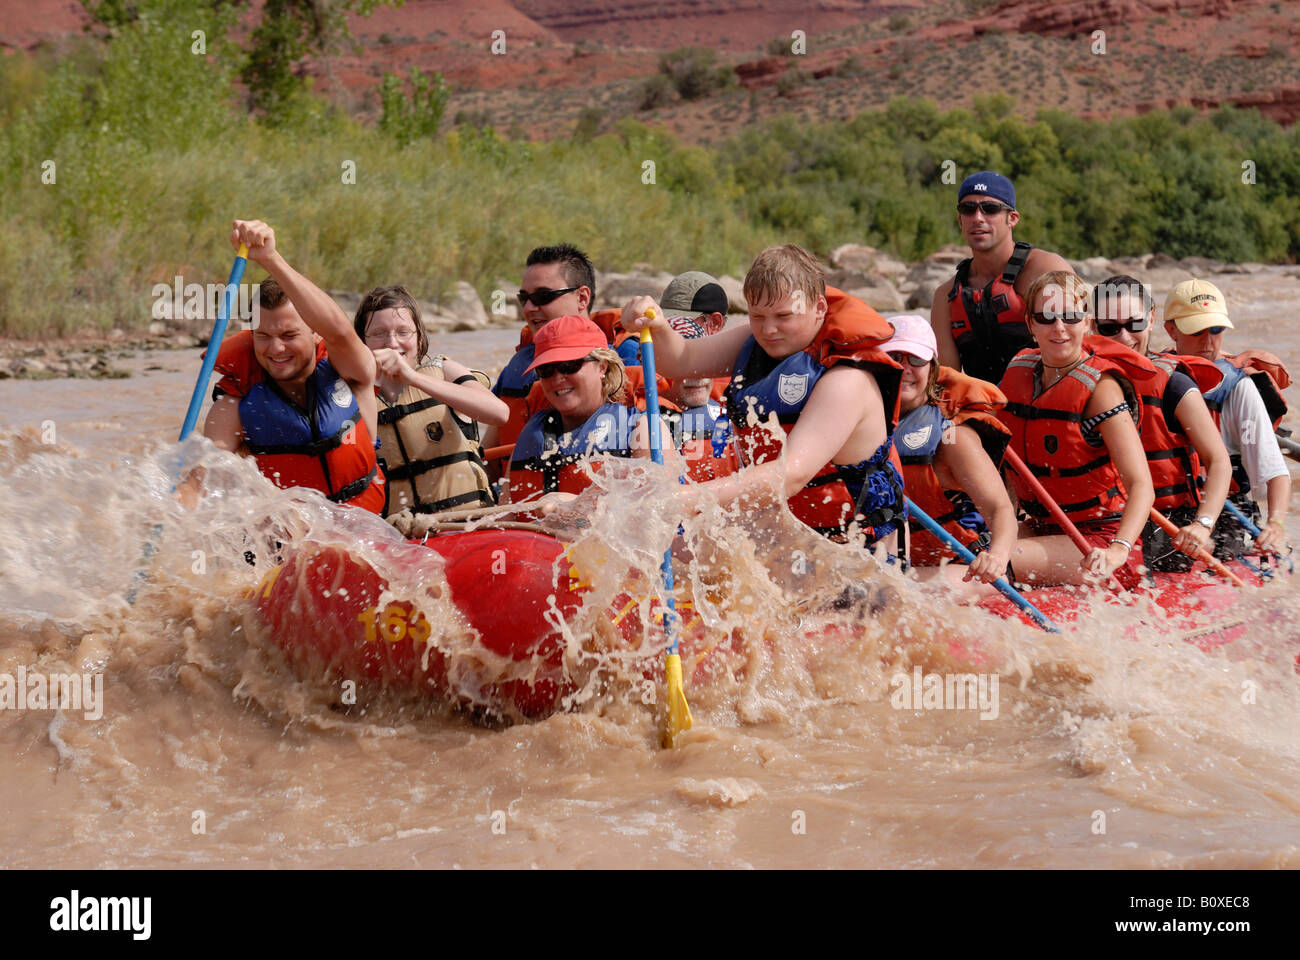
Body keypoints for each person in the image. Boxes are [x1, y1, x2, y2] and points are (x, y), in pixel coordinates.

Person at [620, 244, 906, 550]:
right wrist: (657, 325)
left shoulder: (848, 379)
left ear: (819, 308)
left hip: (861, 555)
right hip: (790, 543)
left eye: (784, 316)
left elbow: (791, 474)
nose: (769, 330)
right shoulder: (752, 342)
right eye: (758, 316)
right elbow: (678, 360)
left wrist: (683, 500)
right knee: (647, 551)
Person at [197, 219, 385, 514]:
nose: (276, 349)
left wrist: (269, 258)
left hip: (367, 528)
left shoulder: (351, 370)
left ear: (315, 332)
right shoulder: (240, 397)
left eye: (289, 335)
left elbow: (339, 330)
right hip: (295, 540)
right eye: (263, 336)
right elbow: (203, 471)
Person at [997, 272, 1155, 586]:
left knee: (997, 561)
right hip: (1044, 527)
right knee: (964, 549)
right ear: (1030, 324)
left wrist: (1118, 551)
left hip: (1102, 542)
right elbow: (1009, 469)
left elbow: (1142, 487)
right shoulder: (1019, 371)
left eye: (1070, 316)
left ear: (1086, 322)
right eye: (1046, 317)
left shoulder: (1101, 389)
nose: (1059, 328)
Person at [1090, 276, 1231, 571]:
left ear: (1152, 319)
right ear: (1092, 327)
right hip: (1099, 524)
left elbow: (1218, 461)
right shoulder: (1082, 383)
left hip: (1166, 529)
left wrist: (1203, 526)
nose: (1124, 337)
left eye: (1135, 324)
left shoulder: (1175, 385)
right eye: (1110, 328)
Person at [1161, 278, 1291, 558]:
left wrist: (1276, 525)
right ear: (1171, 330)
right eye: (1196, 330)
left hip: (1227, 515)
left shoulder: (1239, 389)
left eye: (1216, 329)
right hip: (1169, 508)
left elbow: (1276, 473)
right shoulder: (1155, 375)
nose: (1208, 341)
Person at [883, 315, 1016, 585]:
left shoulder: (953, 437)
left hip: (964, 569)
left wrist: (998, 557)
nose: (905, 368)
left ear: (932, 369)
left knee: (890, 593)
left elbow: (1000, 509)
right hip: (897, 566)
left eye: (916, 359)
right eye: (895, 357)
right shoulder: (862, 427)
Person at [354, 285, 508, 518]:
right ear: (362, 342)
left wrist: (412, 377)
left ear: (419, 337)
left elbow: (499, 413)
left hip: (465, 524)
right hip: (400, 535)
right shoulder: (351, 395)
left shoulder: (445, 371)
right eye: (379, 334)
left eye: (403, 332)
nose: (392, 343)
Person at [508, 315, 674, 502]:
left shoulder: (643, 429)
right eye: (546, 370)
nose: (557, 378)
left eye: (569, 365)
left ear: (602, 366)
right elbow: (505, 520)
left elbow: (657, 515)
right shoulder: (530, 435)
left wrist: (574, 507)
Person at [931, 171, 1074, 384]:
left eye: (990, 209)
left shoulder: (1045, 270)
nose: (977, 218)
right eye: (968, 210)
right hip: (985, 406)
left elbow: (1080, 345)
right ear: (960, 219)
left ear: (1012, 219)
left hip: (1047, 397)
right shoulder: (946, 296)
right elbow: (946, 379)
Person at [486, 243, 622, 450]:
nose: (530, 308)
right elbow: (490, 445)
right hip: (520, 475)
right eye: (524, 298)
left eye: (543, 296)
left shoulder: (623, 357)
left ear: (582, 298)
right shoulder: (519, 364)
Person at [630, 315, 737, 483]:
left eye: (704, 361)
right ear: (651, 368)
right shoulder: (632, 419)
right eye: (682, 364)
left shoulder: (736, 412)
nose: (697, 374)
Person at [616, 271, 730, 369]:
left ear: (714, 323)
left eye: (681, 323)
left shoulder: (735, 369)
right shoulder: (634, 352)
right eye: (666, 320)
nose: (667, 329)